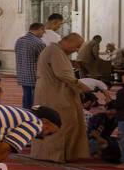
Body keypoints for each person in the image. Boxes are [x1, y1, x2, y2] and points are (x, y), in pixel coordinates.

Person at [30, 33, 89, 162]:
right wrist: (83, 87)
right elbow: (63, 74)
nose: (77, 49)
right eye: (77, 46)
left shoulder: (55, 50)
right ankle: (56, 155)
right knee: (62, 122)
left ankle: (46, 154)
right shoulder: (55, 51)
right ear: (68, 41)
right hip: (55, 92)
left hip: (50, 90)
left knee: (49, 122)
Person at [14, 22, 46, 109]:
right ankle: (31, 116)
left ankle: (25, 114)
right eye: (43, 31)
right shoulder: (39, 43)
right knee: (33, 100)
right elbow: (44, 61)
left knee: (26, 96)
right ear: (39, 29)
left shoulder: (19, 40)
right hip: (34, 76)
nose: (43, 34)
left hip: (22, 74)